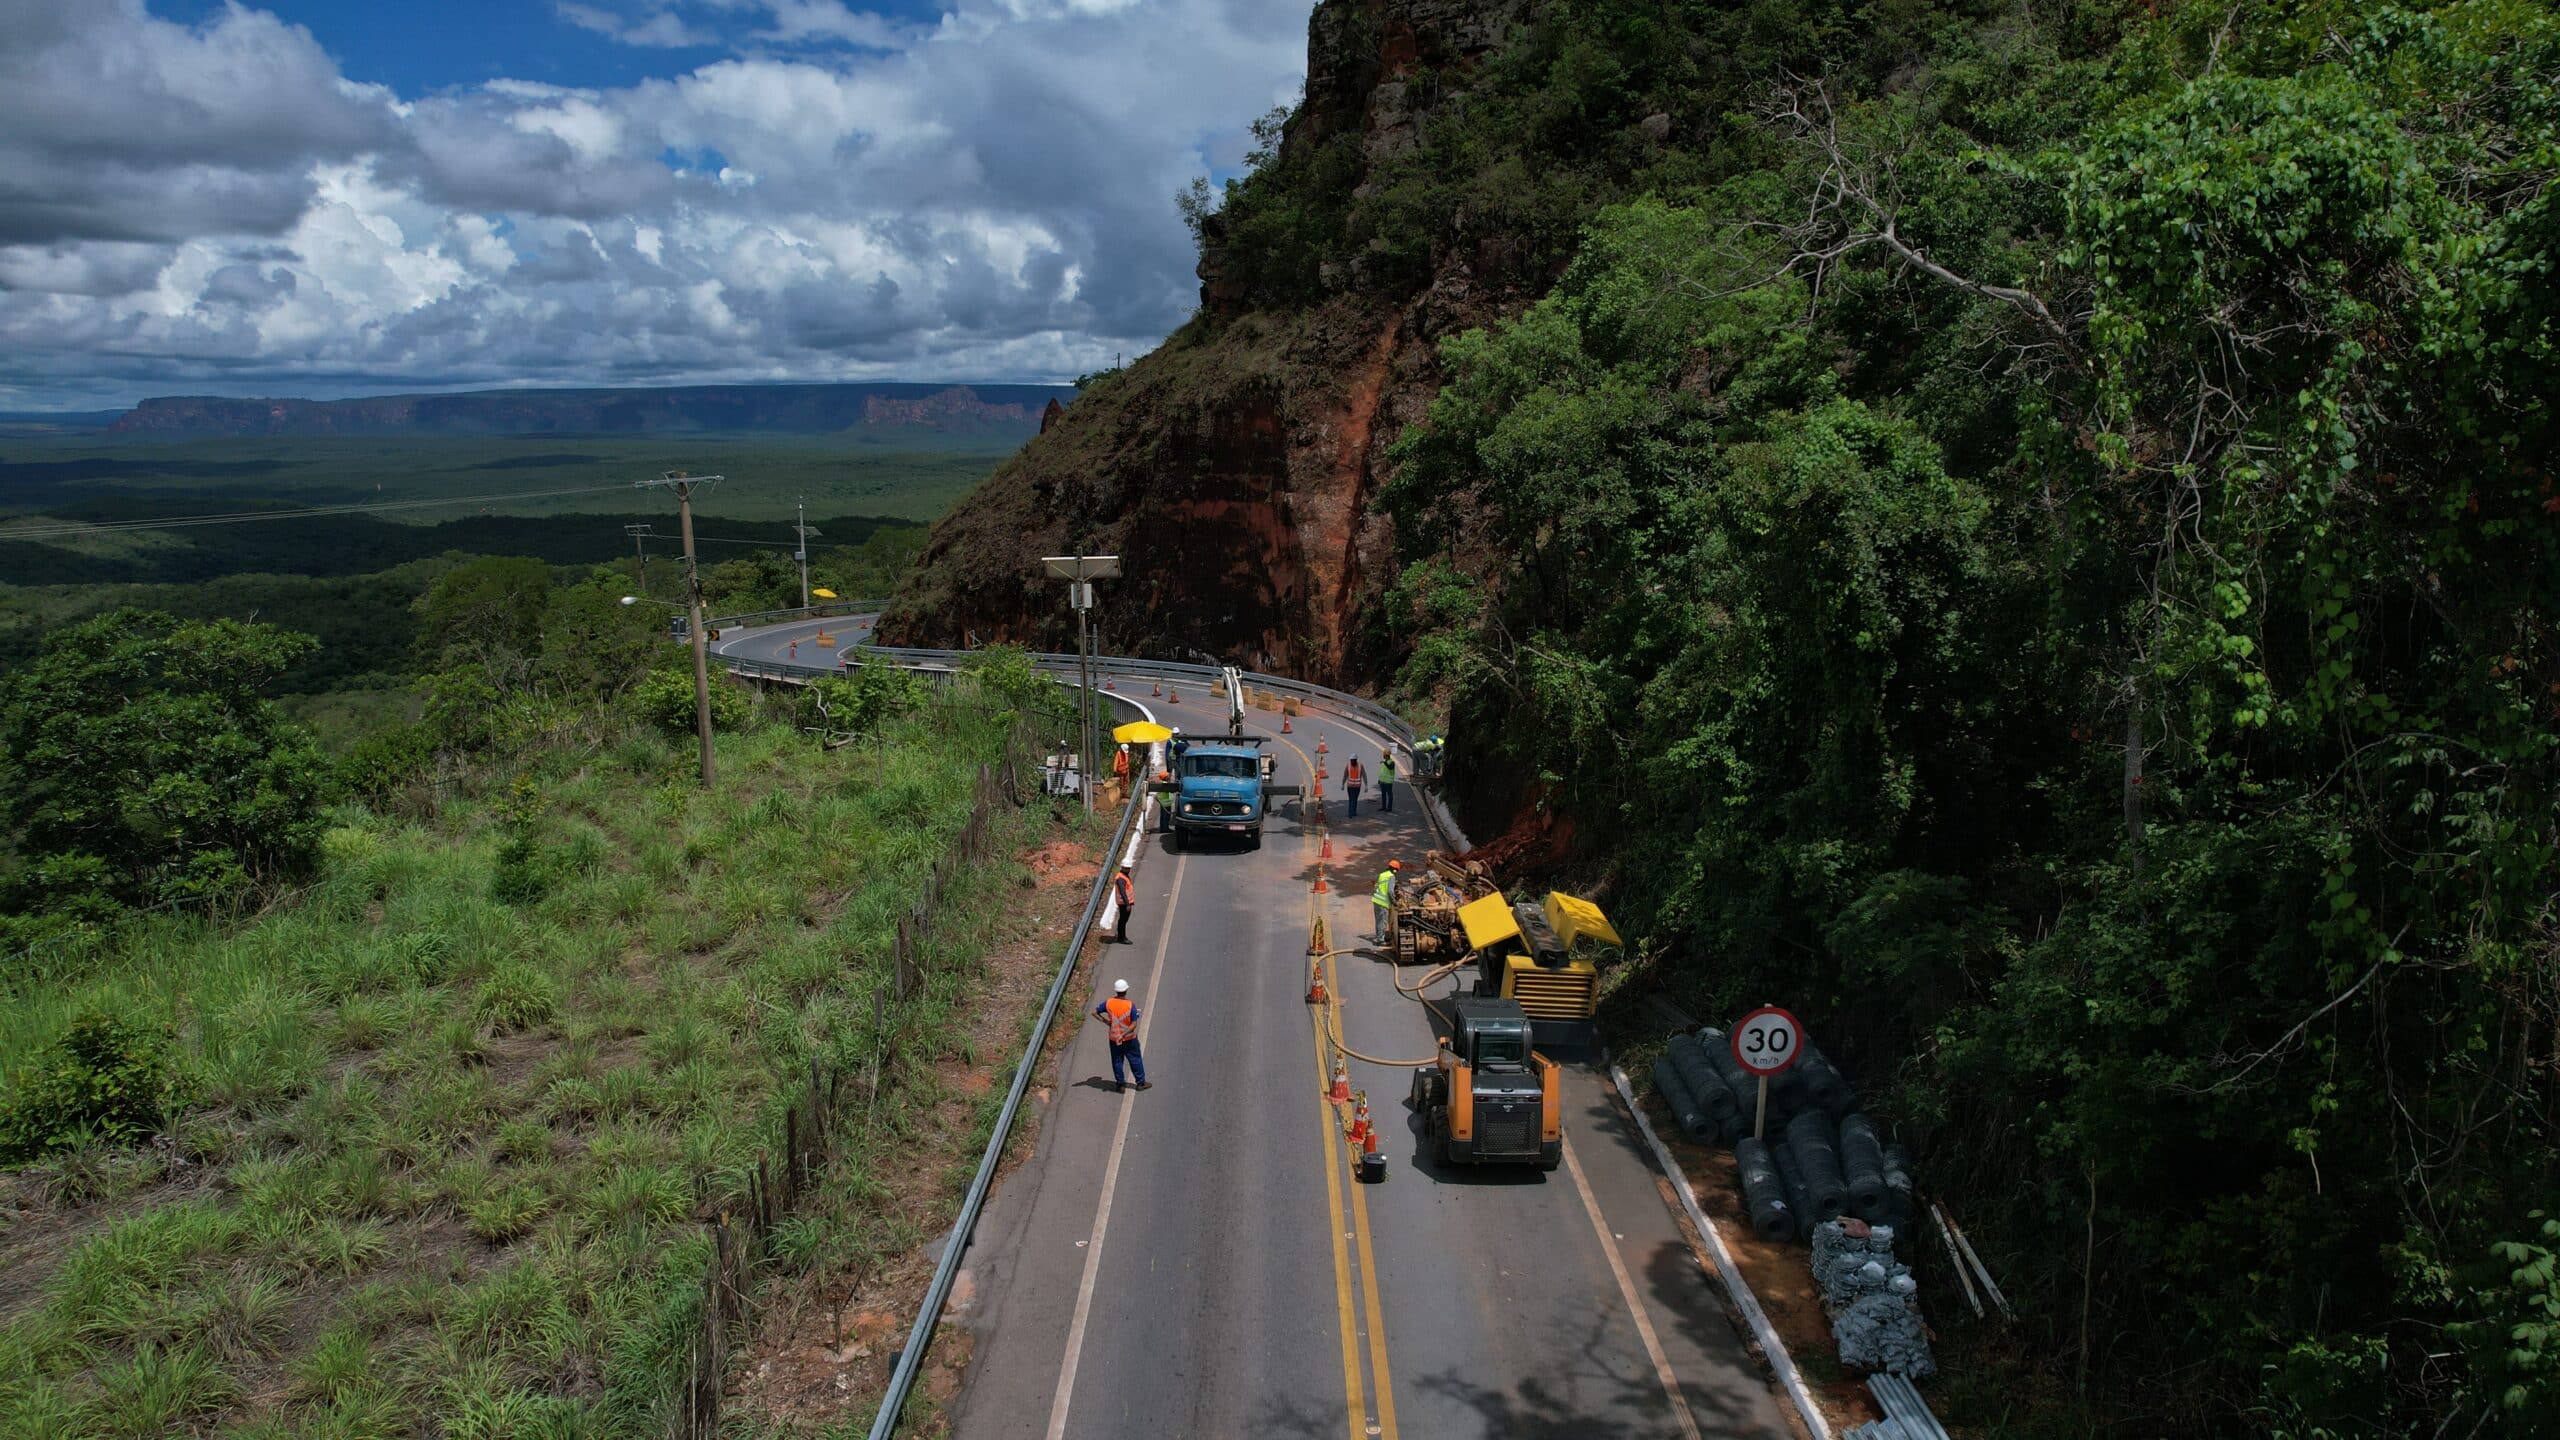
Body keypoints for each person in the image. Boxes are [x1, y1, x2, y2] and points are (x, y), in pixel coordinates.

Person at [1094, 978, 1149, 1091]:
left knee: (1117, 1061)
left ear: (1116, 991)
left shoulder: (1109, 1002)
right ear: (1126, 991)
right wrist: (1123, 1034)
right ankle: (1140, 1083)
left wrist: (1107, 1022)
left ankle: (1120, 1084)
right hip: (1129, 1039)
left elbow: (1094, 1012)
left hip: (1114, 1039)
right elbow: (1133, 1024)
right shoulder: (1130, 1005)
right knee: (1135, 1059)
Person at [1372, 859, 1402, 944]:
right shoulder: (1391, 876)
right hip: (1382, 902)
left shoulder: (1382, 874)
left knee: (1379, 920)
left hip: (1376, 900)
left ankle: (1380, 937)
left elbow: (1376, 886)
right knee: (1383, 921)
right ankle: (1381, 940)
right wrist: (1394, 901)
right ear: (1395, 870)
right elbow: (1390, 891)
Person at [1110, 864, 1136, 944]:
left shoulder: (1124, 875)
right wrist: (1127, 904)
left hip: (1125, 902)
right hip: (1124, 903)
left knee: (1123, 920)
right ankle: (1122, 938)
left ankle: (1120, 935)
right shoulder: (1121, 878)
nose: (1128, 870)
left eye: (1129, 868)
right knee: (1123, 920)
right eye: (1126, 868)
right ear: (1122, 868)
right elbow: (1122, 892)